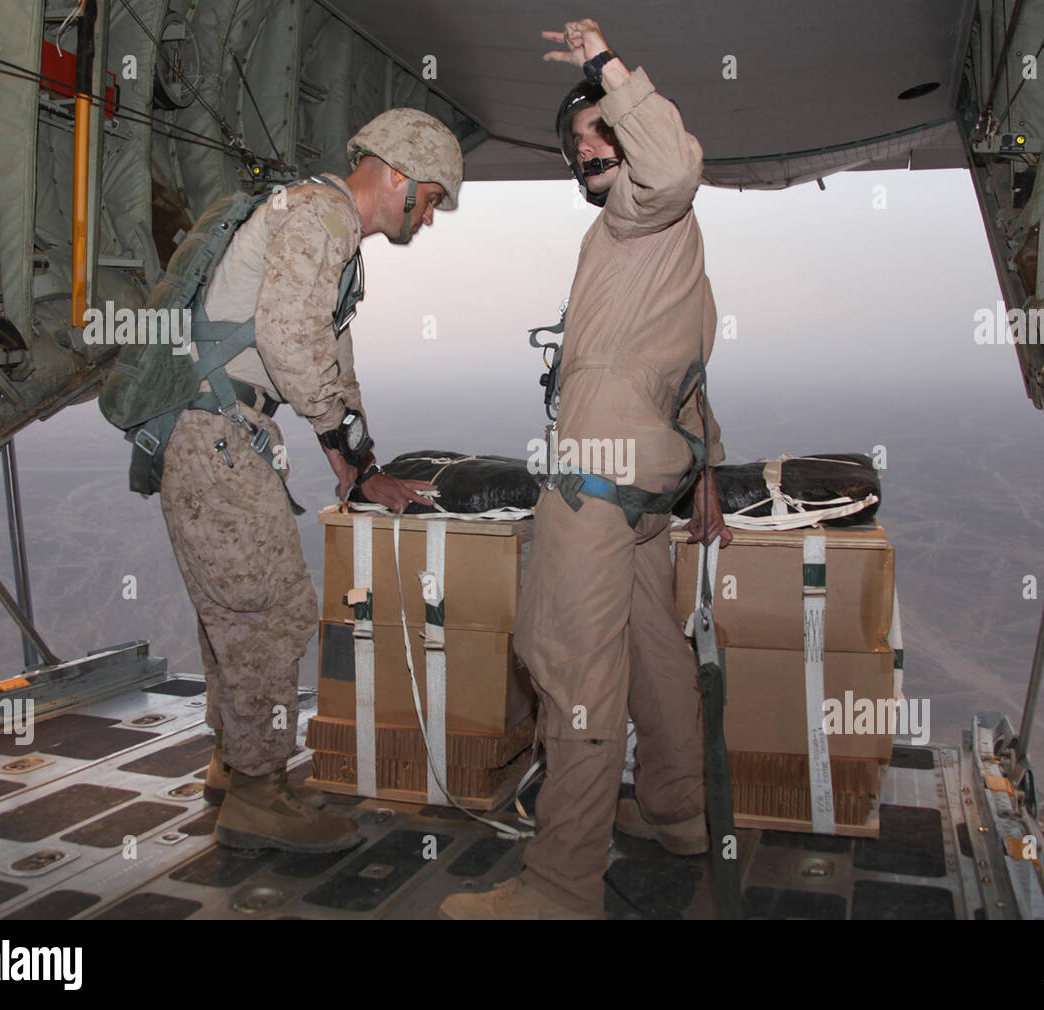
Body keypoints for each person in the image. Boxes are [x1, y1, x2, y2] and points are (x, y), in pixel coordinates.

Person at [440, 18, 729, 918]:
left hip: (596, 495)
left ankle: (561, 891)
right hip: (648, 490)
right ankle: (681, 811)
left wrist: (607, 67)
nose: (589, 143)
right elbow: (684, 383)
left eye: (605, 127)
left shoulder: (649, 210)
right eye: (578, 138)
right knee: (654, 654)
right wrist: (707, 475)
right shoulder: (661, 255)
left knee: (570, 673)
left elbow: (676, 165)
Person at [160, 108, 463, 852]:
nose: (427, 219)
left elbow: (332, 359)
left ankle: (235, 766)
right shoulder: (321, 215)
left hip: (222, 437)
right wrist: (338, 440)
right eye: (427, 200)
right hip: (217, 439)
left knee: (237, 610)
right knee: (273, 613)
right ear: (396, 174)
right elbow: (291, 341)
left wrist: (359, 468)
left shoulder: (331, 235)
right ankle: (261, 793)